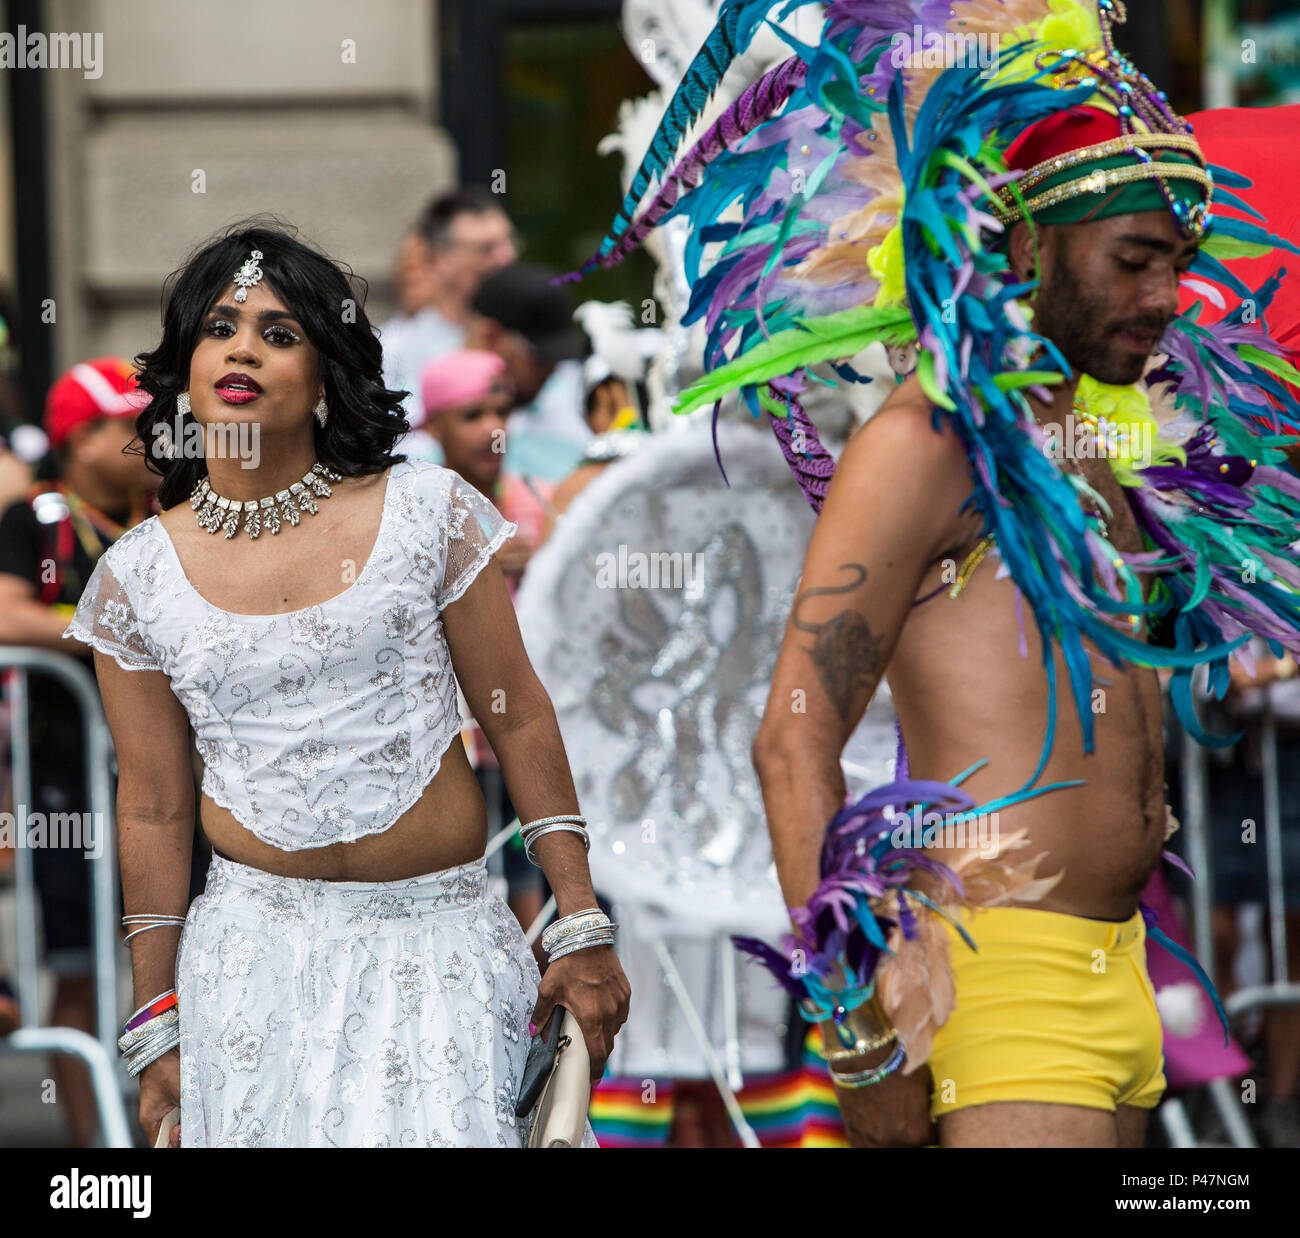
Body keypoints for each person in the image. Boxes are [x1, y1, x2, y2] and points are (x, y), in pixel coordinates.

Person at [571, 1, 1300, 1148]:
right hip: (997, 974)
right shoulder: (924, 444)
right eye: (1132, 262)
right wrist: (857, 1026)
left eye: (1178, 266)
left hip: (1121, 966)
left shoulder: (1096, 435)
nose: (1165, 299)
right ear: (1023, 245)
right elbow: (794, 738)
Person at [63, 220, 629, 1147]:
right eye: (220, 327)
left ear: (326, 378)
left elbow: (518, 715)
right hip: (251, 972)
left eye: (280, 334)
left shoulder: (426, 512)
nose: (244, 347)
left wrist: (579, 920)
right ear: (186, 365)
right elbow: (156, 809)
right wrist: (154, 1019)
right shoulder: (136, 578)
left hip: (439, 953)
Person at [0, 357, 157, 1145]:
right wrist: (97, 635)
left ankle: (181, 1123)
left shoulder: (166, 510)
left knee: (178, 947)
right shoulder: (37, 518)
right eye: (127, 425)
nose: (144, 438)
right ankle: (96, 1144)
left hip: (163, 781)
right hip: (68, 782)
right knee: (80, 959)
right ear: (79, 436)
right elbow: (3, 614)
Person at [419, 348, 553, 934]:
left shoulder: (542, 500)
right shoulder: (414, 506)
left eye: (501, 411)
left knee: (541, 893)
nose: (492, 430)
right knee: (474, 899)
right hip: (454, 741)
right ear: (433, 426)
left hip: (530, 732)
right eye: (472, 414)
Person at [379, 187, 520, 424]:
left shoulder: (530, 339)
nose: (507, 257)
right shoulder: (390, 350)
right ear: (439, 259)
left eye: (509, 242)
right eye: (486, 248)